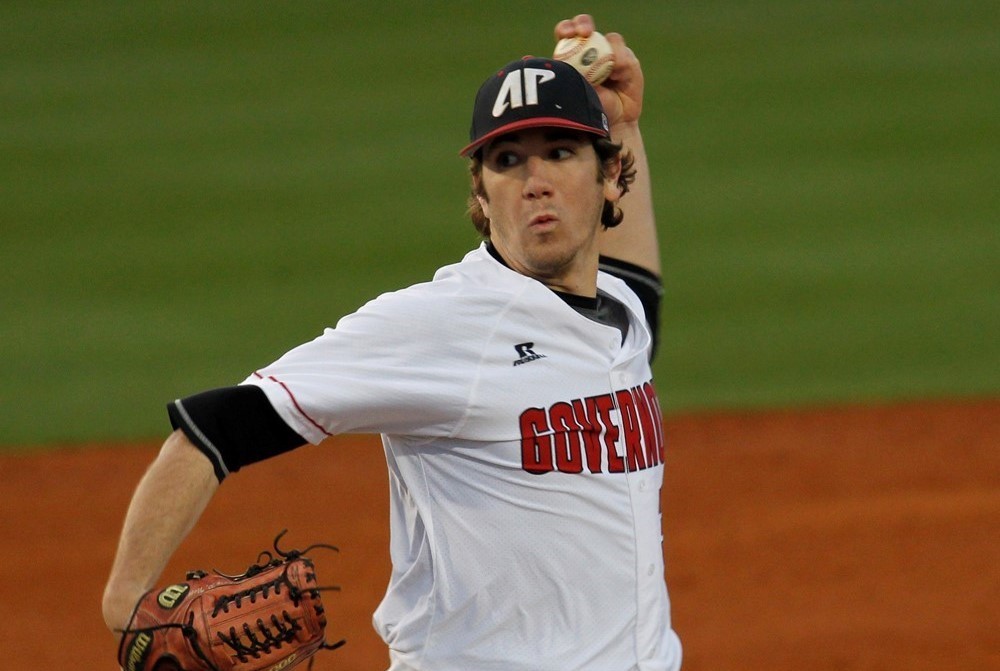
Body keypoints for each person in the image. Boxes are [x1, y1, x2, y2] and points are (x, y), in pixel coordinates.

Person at [103, 13, 682, 671]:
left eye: (561, 151)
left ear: (610, 177)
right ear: (481, 195)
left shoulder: (616, 312)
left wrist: (623, 123)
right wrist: (126, 602)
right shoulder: (443, 322)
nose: (535, 181)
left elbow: (636, 297)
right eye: (508, 160)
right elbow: (216, 427)